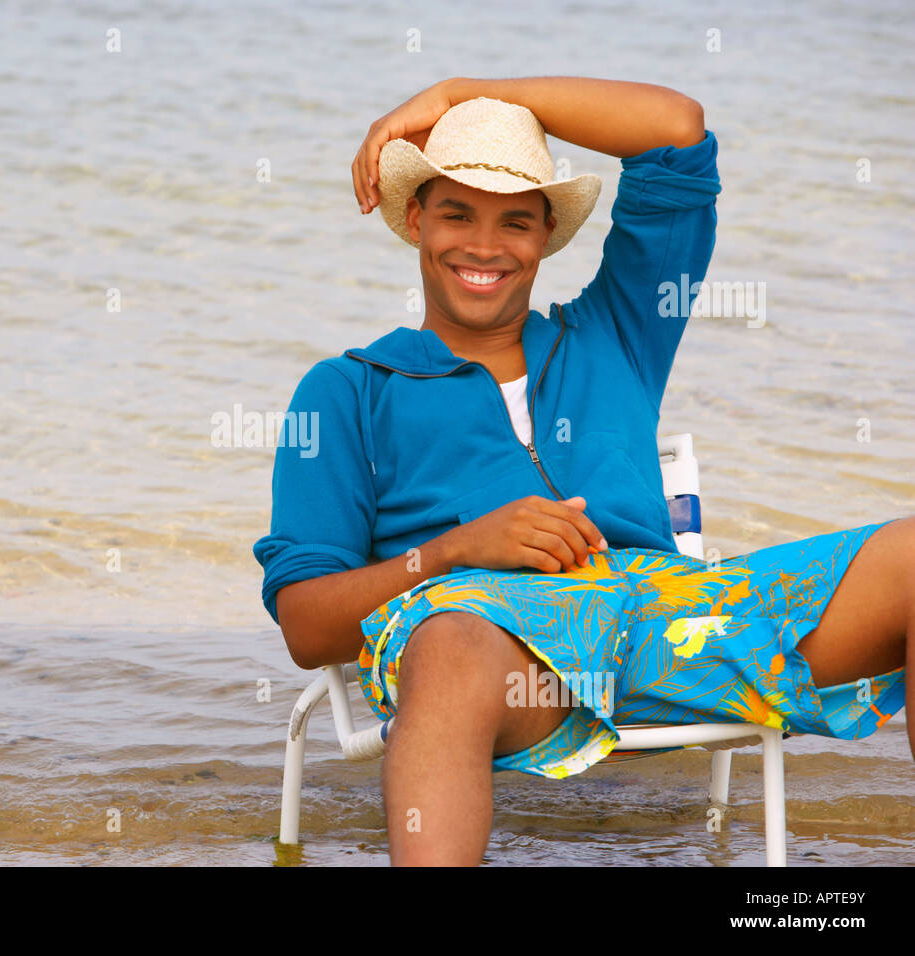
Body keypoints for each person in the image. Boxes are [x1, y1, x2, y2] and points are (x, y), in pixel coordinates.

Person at [252, 76, 913, 866]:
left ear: (546, 237)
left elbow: (676, 128)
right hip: (495, 647)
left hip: (673, 618)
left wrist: (463, 91)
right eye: (457, 212)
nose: (485, 246)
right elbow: (306, 622)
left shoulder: (615, 333)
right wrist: (457, 551)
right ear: (415, 220)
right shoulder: (346, 392)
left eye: (515, 222)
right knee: (453, 644)